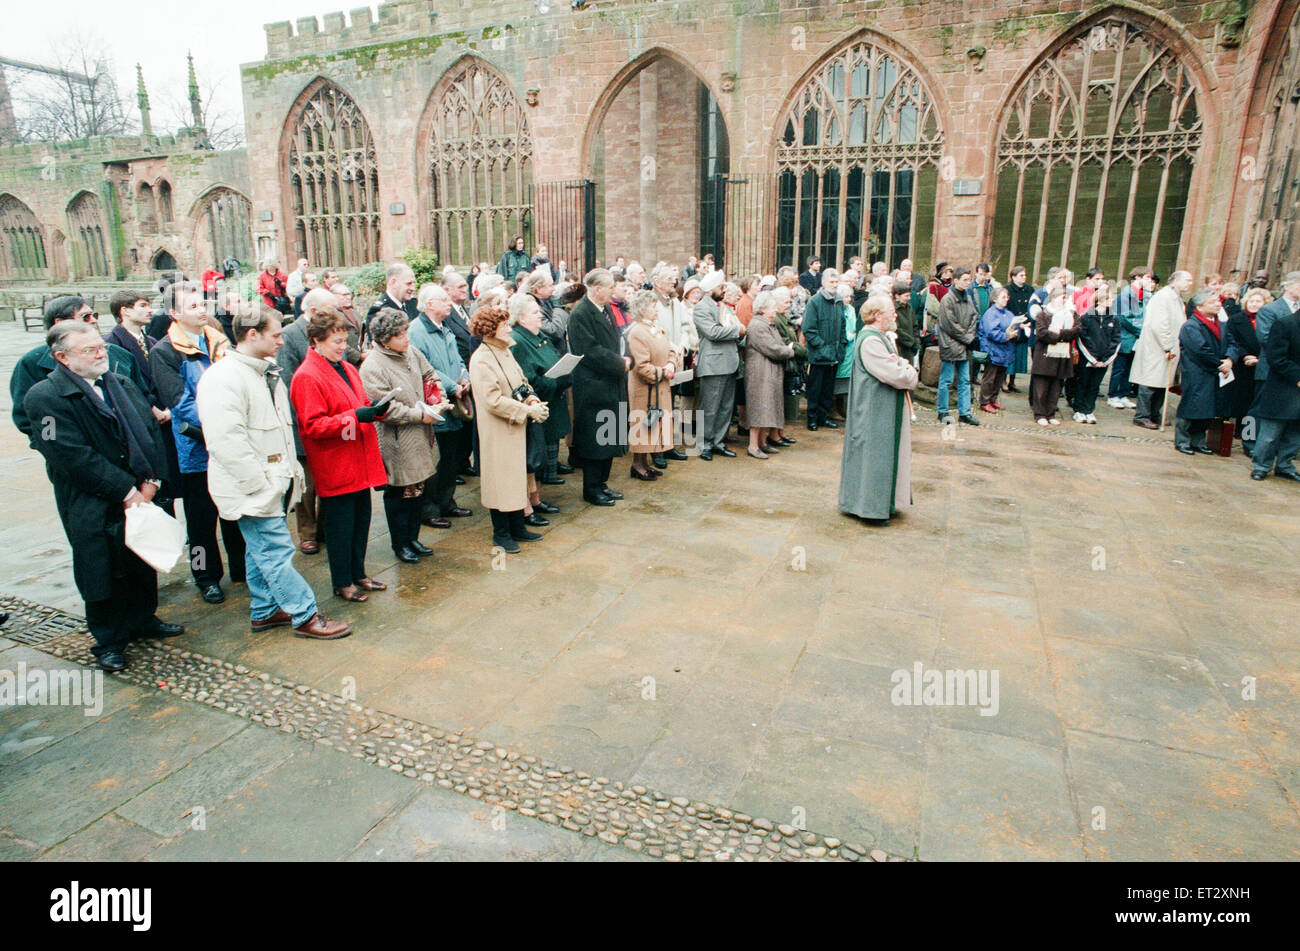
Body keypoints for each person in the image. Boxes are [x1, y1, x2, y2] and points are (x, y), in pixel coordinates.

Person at [24, 321, 179, 671]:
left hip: (140, 492)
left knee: (140, 560)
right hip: (92, 501)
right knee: (101, 571)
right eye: (89, 350)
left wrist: (152, 480)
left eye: (101, 346)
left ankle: (143, 619)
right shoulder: (44, 397)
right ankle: (109, 639)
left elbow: (151, 432)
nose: (100, 353)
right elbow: (69, 454)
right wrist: (125, 491)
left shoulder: (120, 383)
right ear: (62, 357)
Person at [195, 306, 351, 640]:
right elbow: (225, 441)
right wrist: (260, 486)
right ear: (252, 335)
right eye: (276, 334)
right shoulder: (223, 379)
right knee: (276, 550)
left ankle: (265, 611)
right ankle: (305, 614)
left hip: (272, 482)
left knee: (260, 550)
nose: (283, 340)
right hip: (253, 487)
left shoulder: (266, 372)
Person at [148, 281, 246, 603]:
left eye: (203, 304)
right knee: (201, 523)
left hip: (228, 441)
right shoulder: (164, 352)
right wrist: (222, 423)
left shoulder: (218, 341)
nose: (202, 310)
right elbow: (180, 402)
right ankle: (205, 576)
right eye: (193, 307)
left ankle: (242, 567)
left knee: (234, 511)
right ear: (174, 313)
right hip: (196, 449)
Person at [290, 307, 392, 603]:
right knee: (340, 527)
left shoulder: (346, 368)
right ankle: (342, 581)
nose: (343, 347)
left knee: (361, 522)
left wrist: (374, 409)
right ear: (316, 341)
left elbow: (358, 403)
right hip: (336, 462)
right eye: (336, 341)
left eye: (344, 340)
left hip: (358, 458)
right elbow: (311, 426)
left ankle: (358, 572)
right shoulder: (307, 376)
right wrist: (354, 416)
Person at [360, 308, 447, 563]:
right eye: (400, 335)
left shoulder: (411, 352)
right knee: (400, 495)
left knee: (419, 491)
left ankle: (413, 537)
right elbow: (383, 407)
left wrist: (435, 397)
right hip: (397, 441)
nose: (407, 338)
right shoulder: (373, 366)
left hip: (421, 434)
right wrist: (418, 415)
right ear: (385, 340)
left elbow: (431, 374)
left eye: (406, 331)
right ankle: (401, 543)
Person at [468, 303, 550, 550]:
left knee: (517, 479)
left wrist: (532, 398)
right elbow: (492, 400)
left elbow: (521, 382)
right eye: (503, 326)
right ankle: (501, 533)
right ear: (490, 330)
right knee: (500, 482)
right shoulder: (481, 359)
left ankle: (517, 527)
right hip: (499, 431)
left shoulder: (505, 351)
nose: (508, 329)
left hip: (517, 426)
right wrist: (527, 410)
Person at [11, 297, 145, 446]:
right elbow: (27, 418)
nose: (93, 320)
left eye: (94, 315)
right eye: (85, 317)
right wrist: (54, 447)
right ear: (60, 323)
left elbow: (141, 400)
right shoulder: (32, 363)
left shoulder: (119, 355)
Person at [838, 295, 918, 523]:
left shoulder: (877, 338)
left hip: (878, 409)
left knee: (876, 457)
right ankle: (870, 509)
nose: (895, 315)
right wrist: (907, 368)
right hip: (874, 412)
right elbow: (898, 375)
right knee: (874, 458)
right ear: (876, 315)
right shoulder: (870, 341)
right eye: (891, 311)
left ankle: (872, 504)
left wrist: (900, 363)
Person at [409, 283, 474, 523]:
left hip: (453, 402)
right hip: (435, 403)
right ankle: (430, 509)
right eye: (444, 299)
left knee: (450, 458)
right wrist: (452, 386)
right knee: (435, 460)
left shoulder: (443, 327)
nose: (449, 303)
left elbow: (456, 358)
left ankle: (447, 502)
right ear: (429, 305)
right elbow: (426, 366)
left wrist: (465, 378)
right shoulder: (416, 331)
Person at [568, 268, 630, 502]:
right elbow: (589, 350)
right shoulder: (581, 314)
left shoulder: (605, 309)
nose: (613, 290)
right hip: (594, 385)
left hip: (611, 382)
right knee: (596, 439)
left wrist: (625, 358)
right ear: (597, 288)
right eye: (610, 286)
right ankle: (591, 488)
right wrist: (618, 363)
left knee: (610, 436)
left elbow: (617, 340)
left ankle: (602, 483)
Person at [509, 292, 571, 512]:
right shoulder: (518, 340)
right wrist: (553, 382)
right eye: (535, 312)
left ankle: (535, 499)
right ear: (522, 318)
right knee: (533, 459)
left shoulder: (537, 335)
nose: (540, 316)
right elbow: (527, 378)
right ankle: (528, 504)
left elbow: (552, 359)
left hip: (552, 403)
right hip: (539, 405)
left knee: (542, 459)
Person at [625, 289, 680, 479]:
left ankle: (645, 463)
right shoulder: (637, 332)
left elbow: (671, 349)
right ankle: (637, 464)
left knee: (654, 426)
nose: (656, 309)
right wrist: (663, 372)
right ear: (642, 309)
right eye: (652, 306)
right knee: (643, 425)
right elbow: (641, 366)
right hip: (645, 388)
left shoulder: (656, 327)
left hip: (660, 386)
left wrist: (672, 364)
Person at [1131, 270, 1194, 429]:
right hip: (1158, 347)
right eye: (1187, 280)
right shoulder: (1164, 297)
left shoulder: (1176, 297)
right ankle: (1142, 415)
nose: (1190, 283)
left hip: (1169, 346)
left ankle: (1154, 413)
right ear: (1175, 280)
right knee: (1150, 382)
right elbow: (1159, 324)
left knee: (1162, 382)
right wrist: (1168, 346)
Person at [693, 270, 745, 456]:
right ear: (709, 290)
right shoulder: (701, 308)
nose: (723, 290)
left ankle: (718, 441)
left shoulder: (724, 307)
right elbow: (712, 332)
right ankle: (704, 444)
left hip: (729, 363)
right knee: (709, 408)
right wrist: (737, 331)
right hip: (713, 366)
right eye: (720, 287)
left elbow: (733, 330)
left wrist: (740, 333)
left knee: (725, 407)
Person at [1174, 289, 1232, 455]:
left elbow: (1233, 343)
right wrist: (1219, 364)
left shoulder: (1222, 324)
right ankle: (1183, 441)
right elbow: (1200, 350)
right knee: (1191, 407)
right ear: (1199, 306)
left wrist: (1230, 360)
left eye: (1218, 301)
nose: (1218, 304)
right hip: (1197, 372)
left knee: (1208, 410)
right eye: (1213, 302)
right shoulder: (1191, 326)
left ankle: (1198, 441)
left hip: (1216, 371)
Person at [1249, 303, 1300, 481]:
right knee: (1270, 434)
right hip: (1283, 389)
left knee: (1295, 435)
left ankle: (1285, 465)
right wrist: (1297, 377)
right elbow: (1277, 358)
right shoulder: (1285, 324)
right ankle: (1261, 466)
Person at [652, 263, 696, 466]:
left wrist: (682, 347)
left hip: (676, 360)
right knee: (655, 407)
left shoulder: (676, 303)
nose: (673, 281)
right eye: (669, 278)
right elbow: (653, 330)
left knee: (671, 406)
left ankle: (668, 445)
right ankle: (654, 448)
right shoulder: (651, 302)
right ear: (657, 282)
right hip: (660, 361)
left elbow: (686, 328)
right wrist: (671, 347)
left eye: (673, 278)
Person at [744, 290, 796, 459]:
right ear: (763, 307)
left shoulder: (767, 323)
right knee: (759, 408)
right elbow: (773, 349)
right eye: (773, 306)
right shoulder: (758, 325)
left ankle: (762, 443)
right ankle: (753, 446)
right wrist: (789, 351)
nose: (776, 309)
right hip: (760, 374)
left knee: (767, 407)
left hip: (768, 373)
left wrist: (786, 349)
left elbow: (778, 345)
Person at [1029, 286, 1080, 426]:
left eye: (1065, 298)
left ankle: (1050, 413)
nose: (1065, 300)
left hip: (1062, 356)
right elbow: (1042, 333)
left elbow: (1076, 330)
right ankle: (1039, 414)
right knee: (1041, 387)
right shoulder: (1043, 314)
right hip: (1045, 356)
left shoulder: (1071, 314)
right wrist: (1061, 335)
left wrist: (1060, 333)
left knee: (1056, 387)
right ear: (1053, 298)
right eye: (1062, 297)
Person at [935, 268, 980, 425]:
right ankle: (942, 411)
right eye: (965, 279)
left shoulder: (968, 297)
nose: (968, 282)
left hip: (964, 346)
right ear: (956, 280)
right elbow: (949, 324)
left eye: (969, 279)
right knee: (946, 380)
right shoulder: (947, 299)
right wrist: (968, 338)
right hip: (950, 345)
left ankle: (964, 412)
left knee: (965, 381)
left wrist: (970, 336)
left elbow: (974, 317)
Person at [1070, 283, 1120, 424]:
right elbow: (1082, 338)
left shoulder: (1114, 319)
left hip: (1103, 361)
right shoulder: (1086, 317)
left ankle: (1089, 410)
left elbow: (1116, 340)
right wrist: (1092, 358)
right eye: (1110, 298)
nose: (1112, 301)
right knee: (1082, 384)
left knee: (1094, 386)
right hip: (1087, 359)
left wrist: (1106, 359)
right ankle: (1079, 410)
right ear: (1101, 299)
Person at [1252, 272, 1300, 416]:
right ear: (1287, 286)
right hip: (1271, 368)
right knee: (1259, 410)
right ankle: (1249, 437)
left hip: (1293, 372)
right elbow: (1266, 338)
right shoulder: (1270, 309)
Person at [802, 267, 844, 431]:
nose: (834, 285)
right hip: (819, 355)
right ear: (823, 282)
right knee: (815, 388)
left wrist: (841, 345)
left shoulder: (838, 302)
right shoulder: (815, 302)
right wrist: (822, 347)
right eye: (831, 282)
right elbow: (809, 329)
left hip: (834, 354)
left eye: (836, 282)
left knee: (828, 388)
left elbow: (842, 326)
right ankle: (812, 418)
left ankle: (823, 417)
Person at [1227, 286, 1267, 454]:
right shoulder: (1236, 319)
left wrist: (1261, 359)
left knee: (1253, 405)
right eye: (1252, 301)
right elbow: (1233, 340)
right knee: (1242, 403)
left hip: (1261, 364)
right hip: (1242, 366)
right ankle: (1240, 433)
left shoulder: (1267, 320)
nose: (1254, 304)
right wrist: (1245, 356)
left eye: (1258, 301)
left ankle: (1247, 436)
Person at [1109, 267, 1153, 408]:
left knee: (1129, 367)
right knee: (1119, 367)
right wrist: (1141, 331)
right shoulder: (1127, 293)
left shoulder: (1143, 294)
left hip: (1134, 337)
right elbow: (1124, 317)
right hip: (1126, 336)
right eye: (1147, 277)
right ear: (1138, 277)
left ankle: (1123, 393)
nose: (1149, 281)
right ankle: (1113, 395)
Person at [977, 286, 1019, 413]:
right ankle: (984, 401)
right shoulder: (991, 313)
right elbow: (991, 332)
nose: (1006, 299)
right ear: (995, 299)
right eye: (1003, 297)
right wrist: (1006, 336)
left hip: (1005, 351)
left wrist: (1017, 330)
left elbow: (1014, 326)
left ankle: (993, 399)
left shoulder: (1008, 313)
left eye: (1007, 297)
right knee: (989, 378)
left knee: (999, 378)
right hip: (993, 350)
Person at [366, 262, 418, 337]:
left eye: (413, 283)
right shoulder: (379, 310)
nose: (413, 288)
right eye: (408, 283)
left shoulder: (413, 303)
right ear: (393, 282)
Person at [1004, 266, 1034, 392]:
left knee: (1018, 356)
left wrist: (1027, 322)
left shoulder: (1029, 289)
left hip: (1025, 326)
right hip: (1011, 326)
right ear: (1013, 277)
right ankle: (1003, 381)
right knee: (1009, 354)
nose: (1024, 278)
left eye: (1025, 275)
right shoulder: (1007, 290)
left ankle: (1012, 381)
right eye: (1021, 275)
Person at [833, 282, 859, 420]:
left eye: (850, 296)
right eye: (846, 297)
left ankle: (844, 410)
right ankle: (834, 409)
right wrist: (848, 337)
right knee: (836, 381)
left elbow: (854, 327)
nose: (849, 299)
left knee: (847, 381)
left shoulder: (851, 309)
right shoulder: (836, 309)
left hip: (850, 349)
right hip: (841, 346)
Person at [892, 280, 920, 363]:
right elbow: (896, 329)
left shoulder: (909, 308)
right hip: (899, 348)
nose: (909, 298)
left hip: (910, 349)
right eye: (906, 296)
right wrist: (911, 342)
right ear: (897, 296)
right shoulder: (892, 309)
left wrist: (916, 343)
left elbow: (915, 326)